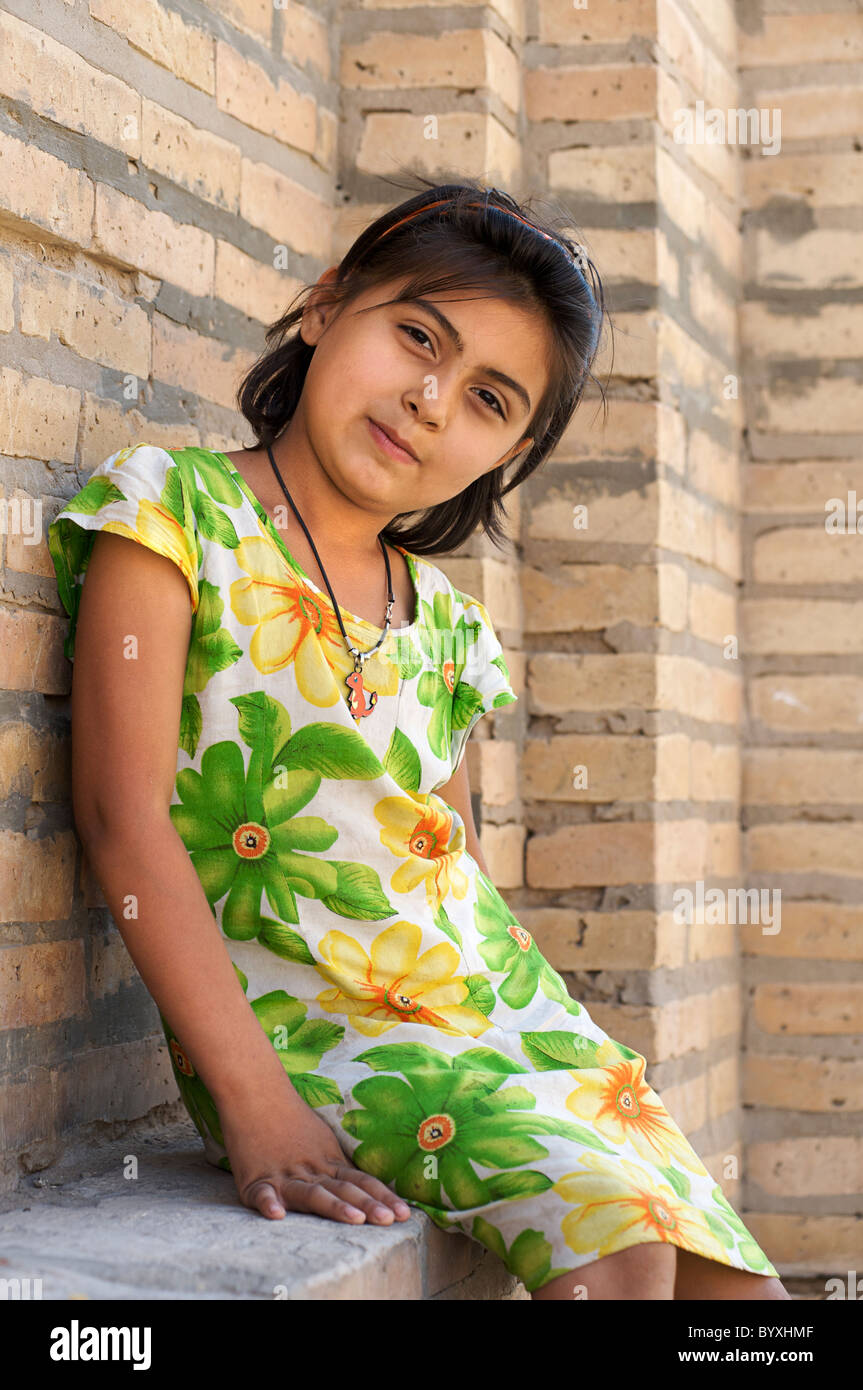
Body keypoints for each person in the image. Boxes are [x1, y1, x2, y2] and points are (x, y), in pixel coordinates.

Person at [47, 175, 790, 1301]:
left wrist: (559, 1052)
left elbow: (449, 864)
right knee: (624, 1262)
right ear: (324, 306)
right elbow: (120, 815)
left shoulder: (444, 622)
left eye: (491, 400)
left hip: (504, 1025)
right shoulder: (173, 514)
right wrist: (253, 1102)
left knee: (732, 1292)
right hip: (321, 1036)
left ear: (507, 453)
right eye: (415, 336)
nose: (433, 401)